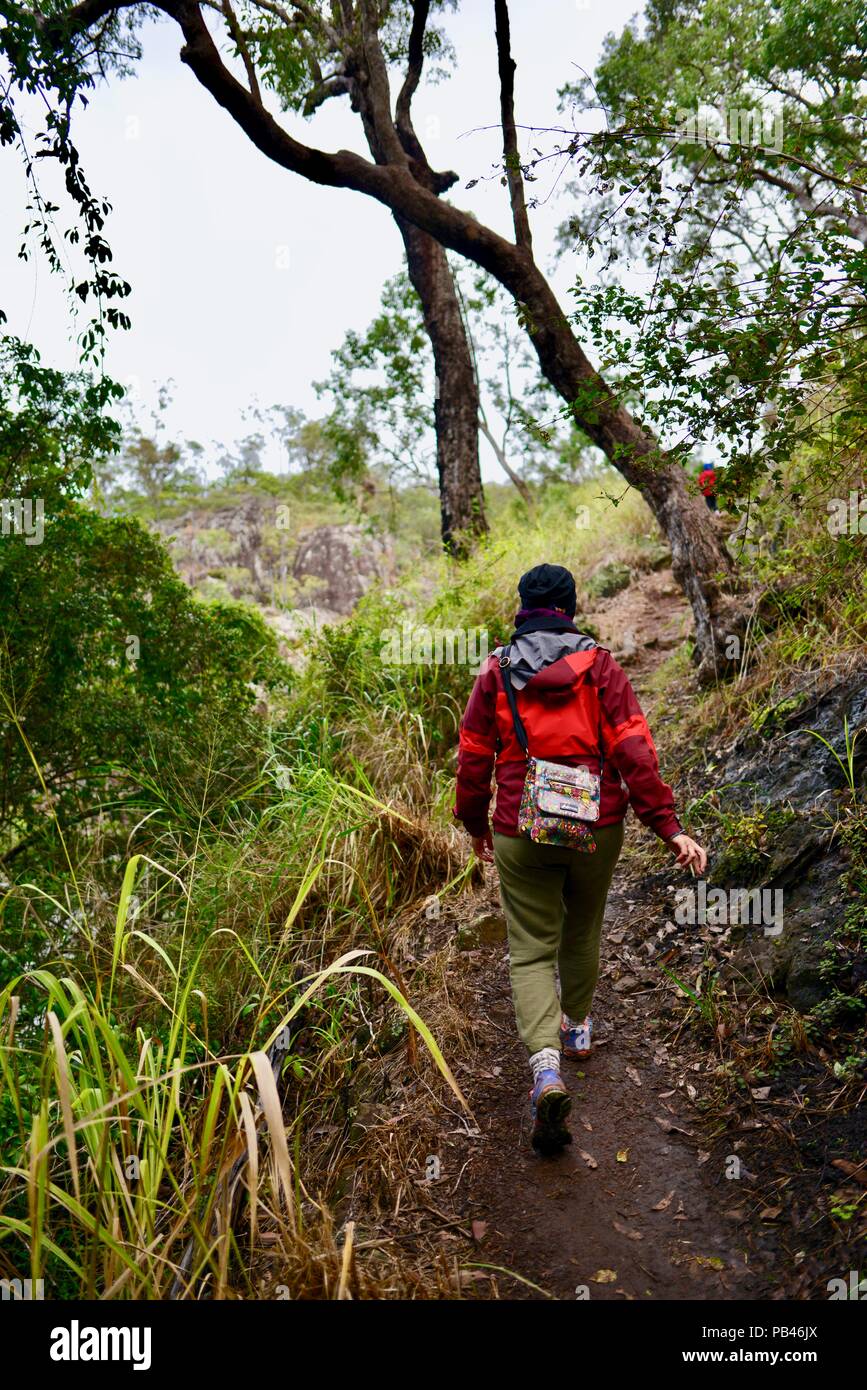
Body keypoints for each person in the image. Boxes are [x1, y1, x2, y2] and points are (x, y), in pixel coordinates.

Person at [453, 563, 707, 1154]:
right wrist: (668, 828)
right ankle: (578, 1029)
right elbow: (634, 752)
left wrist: (474, 825)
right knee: (584, 925)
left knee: (531, 948)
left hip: (522, 826)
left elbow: (472, 758)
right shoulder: (601, 667)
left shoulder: (495, 668)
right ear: (571, 606)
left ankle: (545, 1071)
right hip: (597, 824)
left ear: (523, 607)